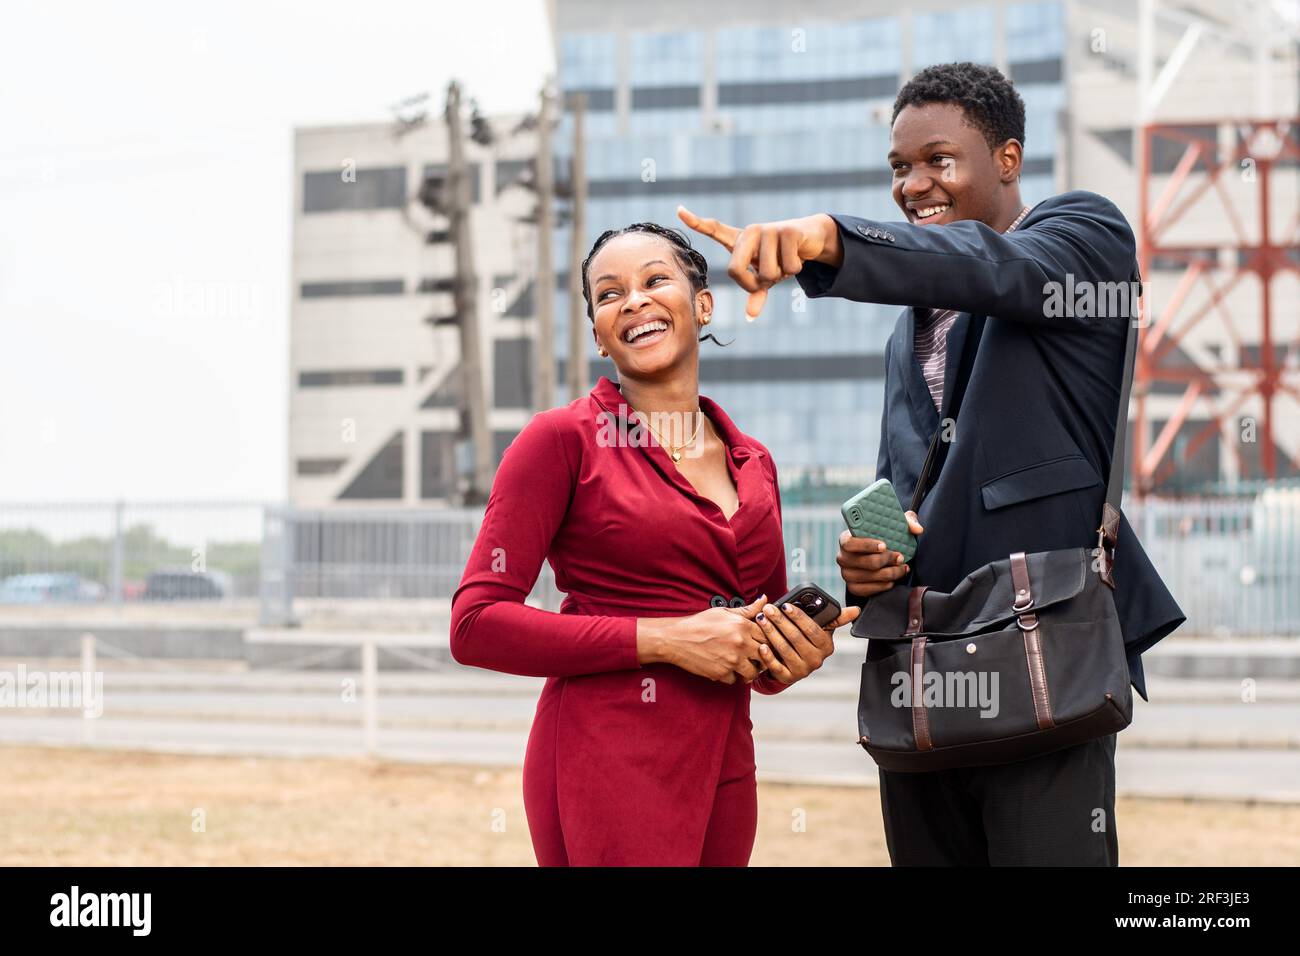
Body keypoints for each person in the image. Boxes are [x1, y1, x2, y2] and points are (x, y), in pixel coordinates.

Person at [680, 62, 1185, 866]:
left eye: (938, 160)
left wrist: (830, 242)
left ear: (1008, 161)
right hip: (921, 682)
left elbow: (991, 266)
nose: (914, 184)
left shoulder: (1084, 239)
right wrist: (867, 563)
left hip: (1038, 662)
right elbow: (905, 490)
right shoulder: (906, 334)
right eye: (898, 168)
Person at [450, 222, 858, 866]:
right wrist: (665, 640)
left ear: (702, 304)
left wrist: (794, 651)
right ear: (598, 334)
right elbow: (475, 625)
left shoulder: (756, 463)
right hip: (608, 755)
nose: (634, 301)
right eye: (609, 294)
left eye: (655, 280)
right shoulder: (560, 441)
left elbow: (756, 649)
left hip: (726, 759)